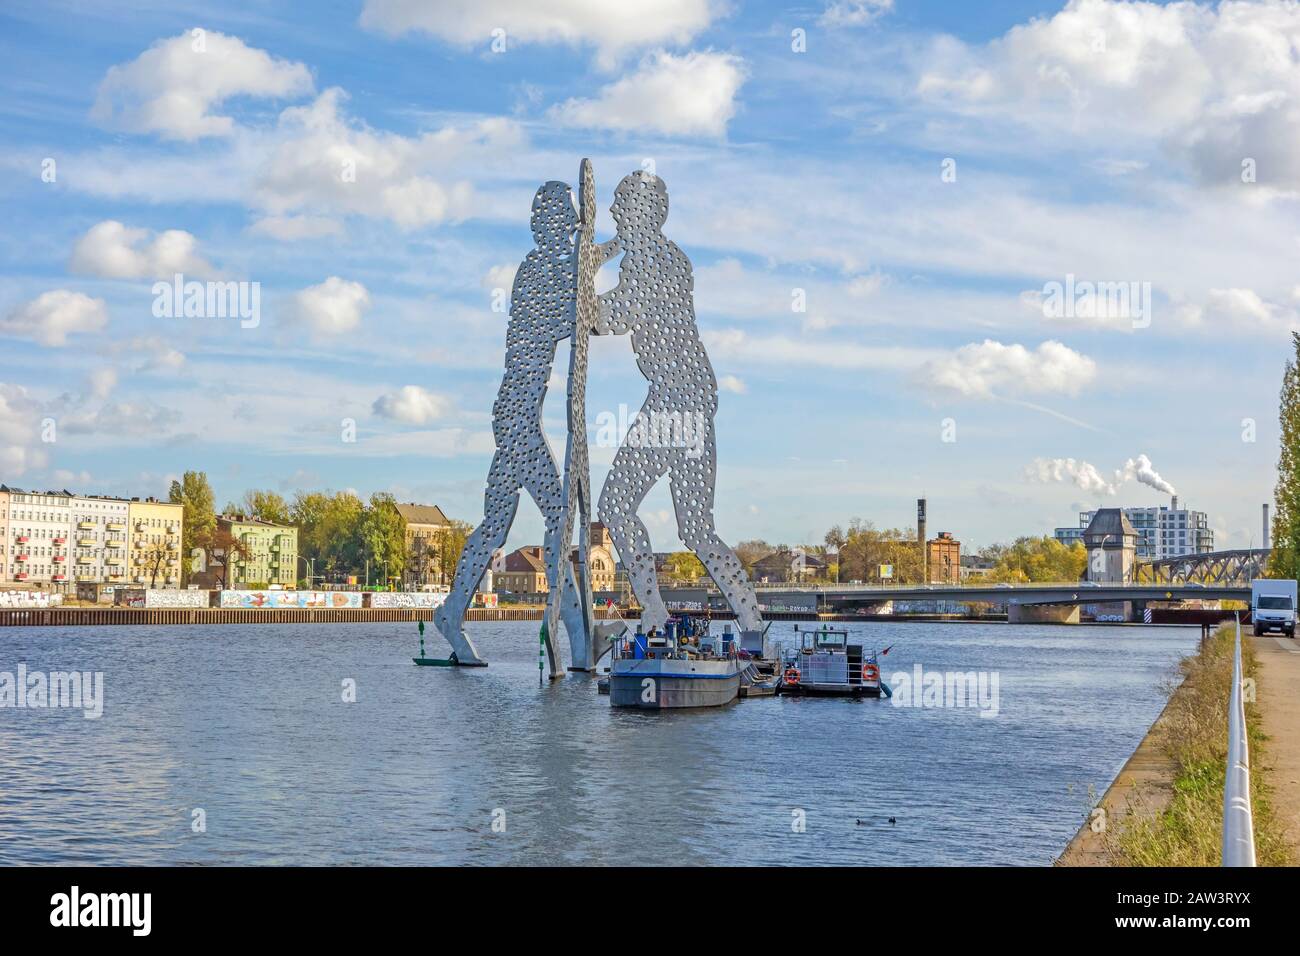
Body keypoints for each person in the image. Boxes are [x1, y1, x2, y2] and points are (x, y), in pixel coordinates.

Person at [595, 171, 763, 634]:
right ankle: (752, 622)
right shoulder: (668, 257)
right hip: (693, 398)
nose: (612, 214)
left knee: (615, 504)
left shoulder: (653, 260)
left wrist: (582, 281)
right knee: (696, 529)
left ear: (642, 214)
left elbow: (615, 316)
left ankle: (652, 612)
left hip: (675, 401)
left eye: (620, 206)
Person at [433, 181, 582, 671]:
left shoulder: (549, 268)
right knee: (559, 513)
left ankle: (452, 614)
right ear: (551, 226)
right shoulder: (538, 271)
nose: (574, 229)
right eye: (570, 221)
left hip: (516, 411)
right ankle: (579, 634)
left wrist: (595, 258)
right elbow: (571, 320)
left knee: (496, 525)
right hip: (518, 414)